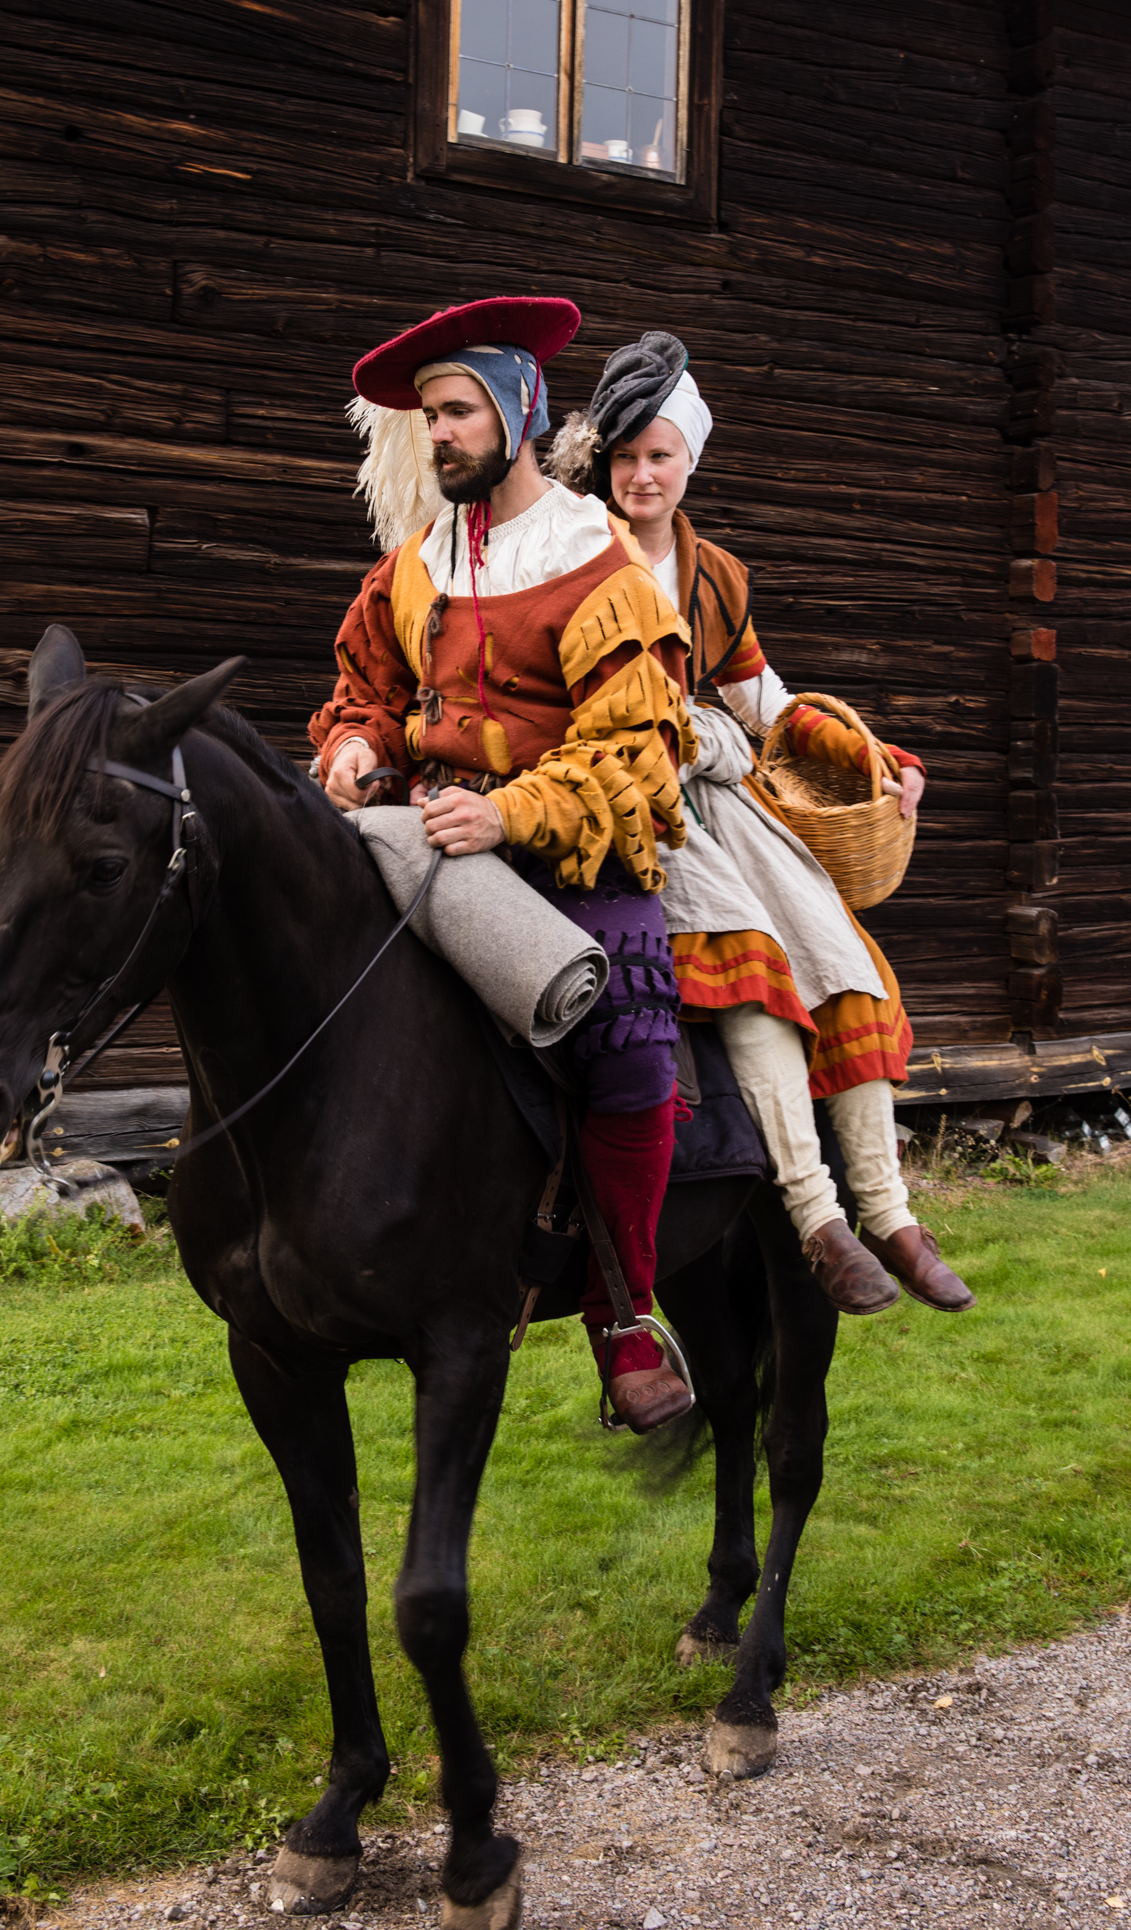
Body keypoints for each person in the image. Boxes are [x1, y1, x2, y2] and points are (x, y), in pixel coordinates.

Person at [309, 296, 701, 1432]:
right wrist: (352, 748)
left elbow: (638, 752)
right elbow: (369, 695)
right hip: (416, 838)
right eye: (430, 417)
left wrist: (513, 812)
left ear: (521, 410)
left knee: (629, 1032)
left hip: (570, 859)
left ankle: (623, 1314)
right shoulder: (413, 568)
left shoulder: (601, 566)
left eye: (458, 412)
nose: (439, 436)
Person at [547, 331, 973, 1316]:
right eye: (625, 457)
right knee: (750, 967)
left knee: (841, 957)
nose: (642, 473)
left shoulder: (716, 573)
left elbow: (763, 703)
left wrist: (880, 759)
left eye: (659, 454)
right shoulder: (571, 554)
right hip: (634, 800)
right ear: (606, 466)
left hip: (725, 794)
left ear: (689, 460)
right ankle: (818, 1218)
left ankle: (891, 1210)